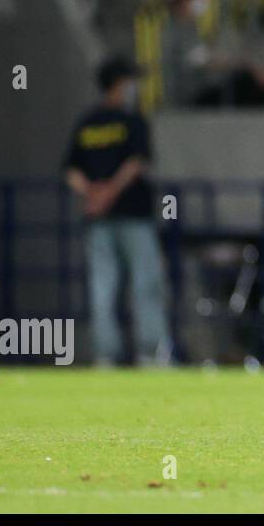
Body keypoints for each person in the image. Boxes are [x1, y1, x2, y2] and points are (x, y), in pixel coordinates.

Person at [63, 57, 171, 366]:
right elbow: (137, 162)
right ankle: (151, 353)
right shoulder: (131, 121)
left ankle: (105, 356)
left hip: (98, 217)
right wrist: (109, 192)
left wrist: (92, 194)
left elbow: (71, 170)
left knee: (102, 287)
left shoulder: (87, 123)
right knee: (145, 284)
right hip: (133, 215)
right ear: (119, 84)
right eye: (130, 82)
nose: (134, 88)